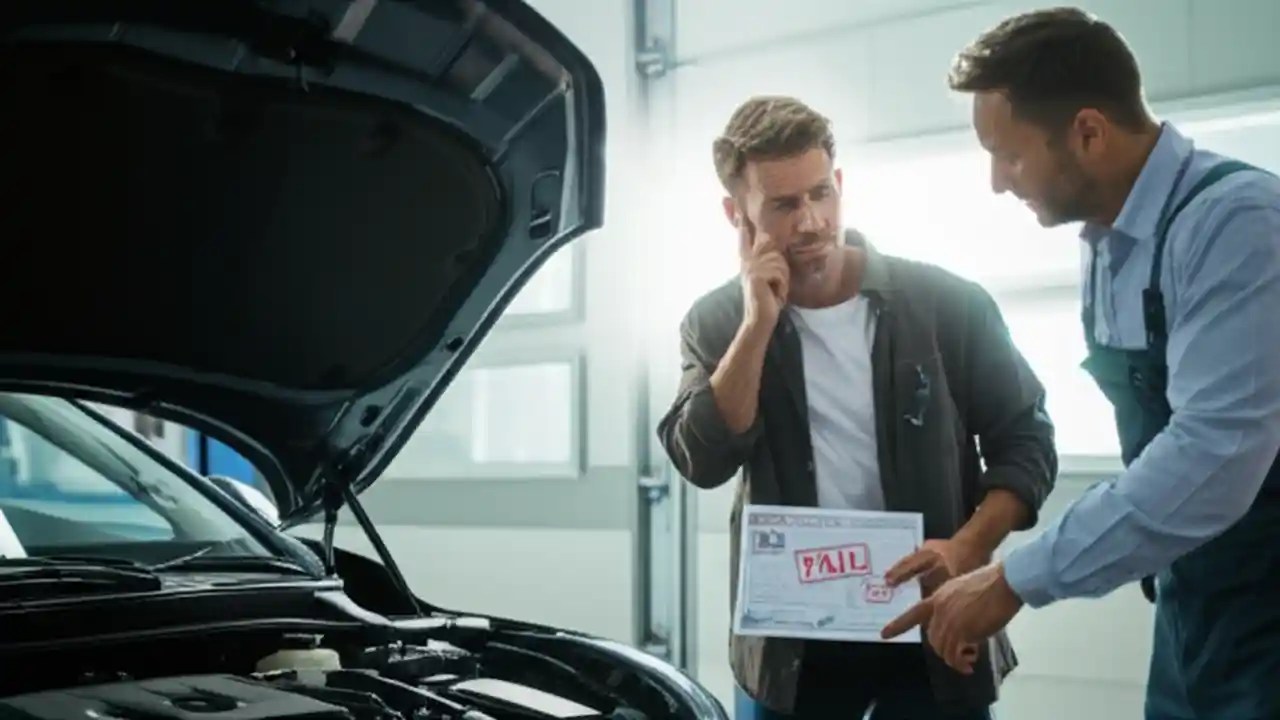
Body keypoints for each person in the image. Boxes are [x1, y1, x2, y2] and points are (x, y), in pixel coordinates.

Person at [880, 8, 1280, 720]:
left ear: (1088, 132)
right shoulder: (1106, 243)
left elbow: (1214, 455)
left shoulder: (1238, 225)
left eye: (1009, 154)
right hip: (1192, 605)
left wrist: (1012, 580)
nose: (998, 182)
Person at [655, 95, 1058, 719]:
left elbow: (1026, 444)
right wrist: (758, 323)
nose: (811, 221)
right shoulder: (716, 324)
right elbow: (703, 460)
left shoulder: (947, 304)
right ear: (738, 216)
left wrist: (966, 548)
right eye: (783, 205)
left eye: (821, 193)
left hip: (933, 619)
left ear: (839, 183)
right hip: (793, 645)